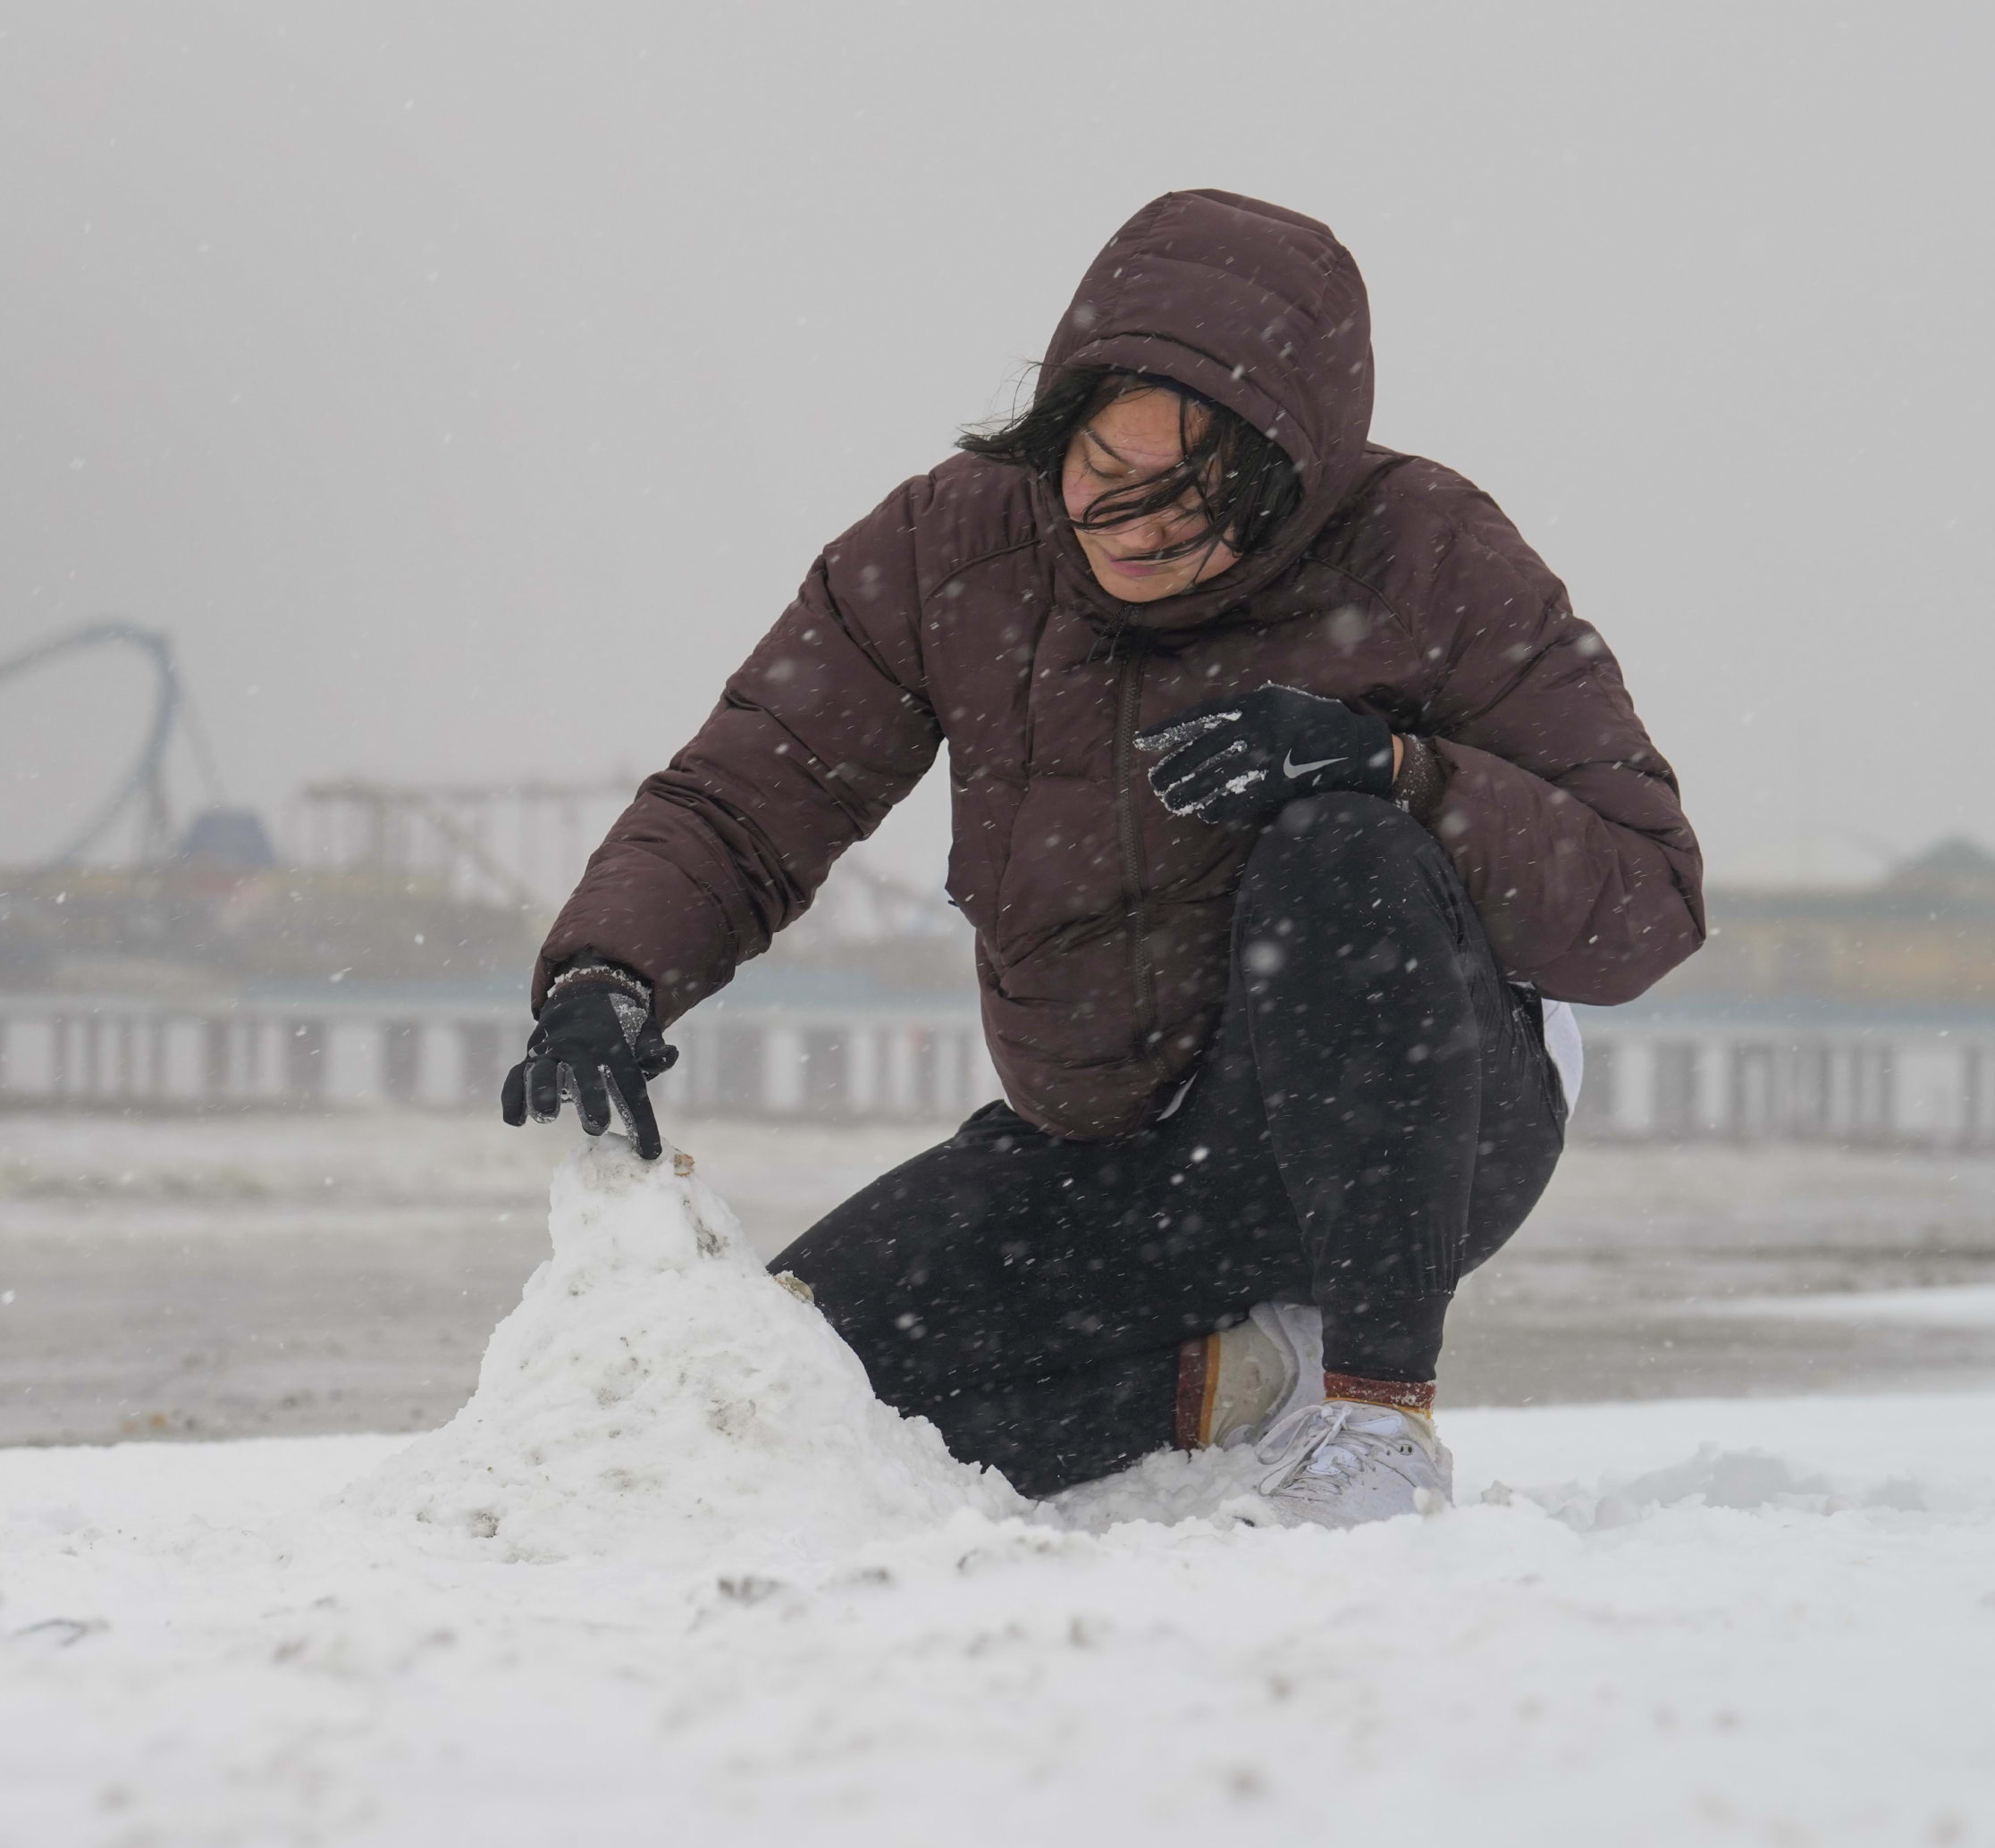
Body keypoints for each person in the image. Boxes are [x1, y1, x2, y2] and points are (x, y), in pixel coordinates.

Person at [502, 190, 1704, 1523]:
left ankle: (1378, 1419)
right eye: (1106, 481)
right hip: (1114, 1155)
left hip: (1426, 1133)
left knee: (1342, 847)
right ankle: (1239, 1384)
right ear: (1054, 426)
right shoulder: (949, 551)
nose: (1135, 532)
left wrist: (1396, 768)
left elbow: (1645, 901)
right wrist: (612, 973)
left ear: (1292, 477)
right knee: (790, 1387)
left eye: (1194, 507)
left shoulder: (1425, 552)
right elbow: (754, 788)